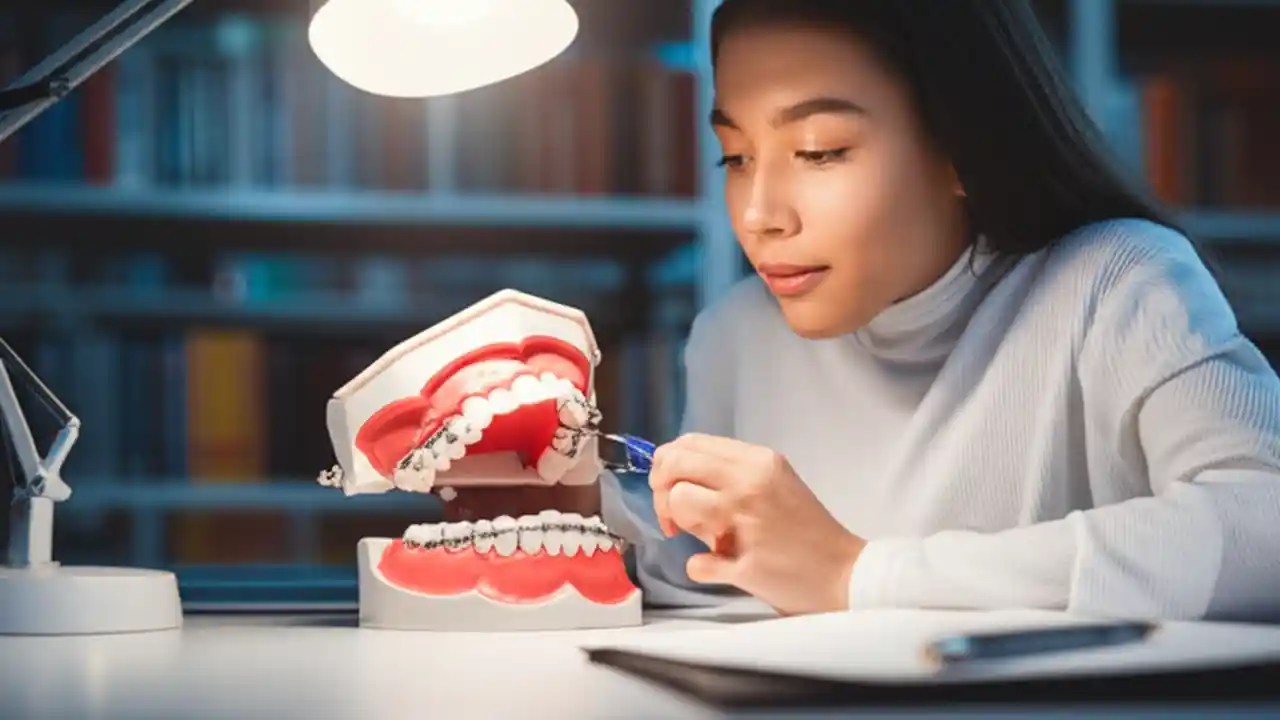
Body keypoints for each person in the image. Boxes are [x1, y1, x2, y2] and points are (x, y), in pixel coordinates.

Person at [446, 0, 1280, 621]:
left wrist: (858, 574)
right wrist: (583, 516)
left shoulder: (1115, 280)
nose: (760, 214)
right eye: (735, 155)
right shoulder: (737, 333)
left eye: (820, 151)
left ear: (964, 147)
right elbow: (712, 579)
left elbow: (1263, 530)